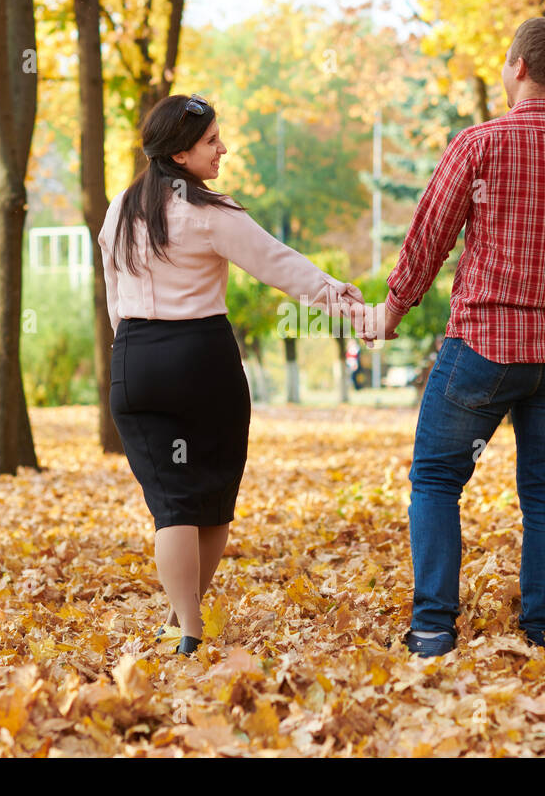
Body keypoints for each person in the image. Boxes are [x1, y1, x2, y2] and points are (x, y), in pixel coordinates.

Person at [360, 17, 545, 657]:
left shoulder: (480, 145)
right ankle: (538, 630)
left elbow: (429, 237)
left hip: (483, 350)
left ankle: (434, 626)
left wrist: (393, 310)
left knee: (437, 479)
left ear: (517, 65)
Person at [97, 93, 366, 656]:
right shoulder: (211, 211)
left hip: (138, 360)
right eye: (211, 142)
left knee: (171, 505)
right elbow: (279, 264)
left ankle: (182, 625)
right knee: (213, 496)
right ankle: (186, 625)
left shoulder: (120, 209)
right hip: (202, 360)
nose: (222, 150)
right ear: (178, 154)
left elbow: (113, 295)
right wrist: (346, 304)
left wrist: (133, 348)